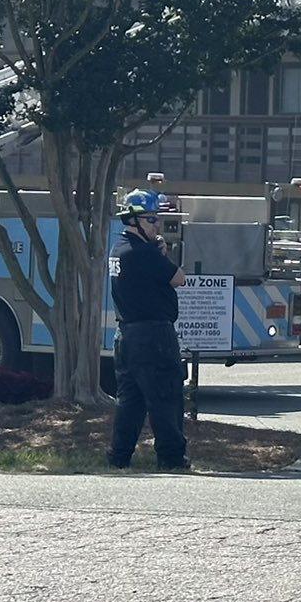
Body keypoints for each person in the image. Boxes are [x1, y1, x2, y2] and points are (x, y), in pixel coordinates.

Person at [108, 189, 190, 471]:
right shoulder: (142, 252)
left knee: (130, 402)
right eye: (152, 219)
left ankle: (119, 457)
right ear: (135, 220)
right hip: (153, 336)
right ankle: (171, 457)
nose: (157, 225)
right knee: (165, 397)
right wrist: (161, 253)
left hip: (126, 336)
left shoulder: (119, 249)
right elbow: (179, 278)